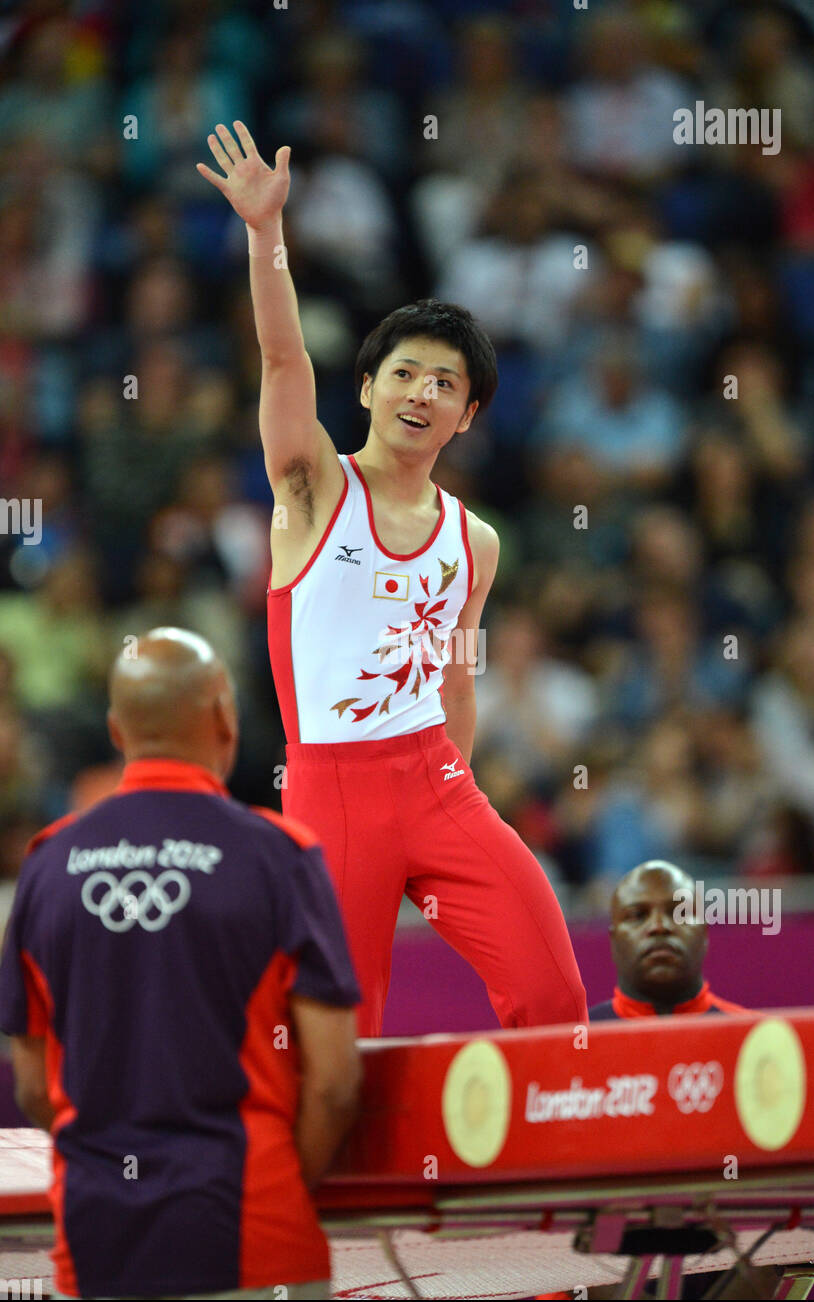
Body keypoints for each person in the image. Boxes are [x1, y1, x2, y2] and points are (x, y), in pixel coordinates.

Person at [196, 122, 588, 1037]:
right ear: (367, 386)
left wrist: (454, 787)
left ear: (467, 414)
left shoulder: (475, 542)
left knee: (552, 997)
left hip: (440, 783)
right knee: (344, 1034)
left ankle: (547, 1176)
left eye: (443, 384)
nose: (420, 393)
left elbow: (456, 674)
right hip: (332, 789)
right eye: (403, 373)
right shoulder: (310, 488)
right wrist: (266, 234)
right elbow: (284, 359)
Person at [0, 628, 361, 1300]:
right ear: (225, 714)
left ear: (115, 729)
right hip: (252, 1234)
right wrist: (276, 1180)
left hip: (96, 1245)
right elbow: (336, 1082)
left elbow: (30, 1089)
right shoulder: (278, 855)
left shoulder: (47, 865)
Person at [589, 859, 746, 1020]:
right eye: (638, 915)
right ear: (614, 941)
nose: (659, 926)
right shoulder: (576, 1040)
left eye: (680, 913)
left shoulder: (754, 1037)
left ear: (704, 934)